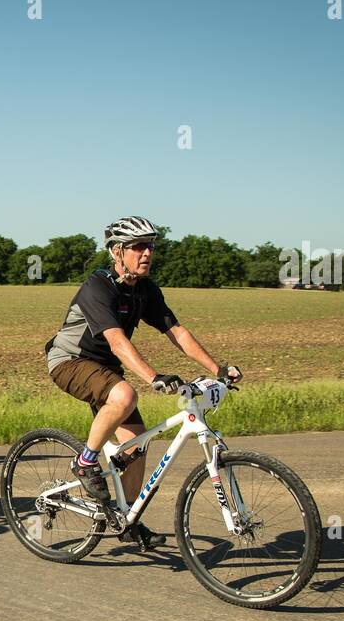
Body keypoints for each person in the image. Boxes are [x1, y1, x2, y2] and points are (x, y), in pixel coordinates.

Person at [44, 216, 243, 550]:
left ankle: (126, 518)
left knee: (136, 448)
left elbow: (176, 331)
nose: (147, 252)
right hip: (71, 361)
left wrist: (217, 368)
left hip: (105, 370)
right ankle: (85, 463)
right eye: (138, 246)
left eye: (150, 246)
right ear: (117, 252)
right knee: (125, 395)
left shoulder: (145, 290)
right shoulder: (98, 286)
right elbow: (117, 341)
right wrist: (153, 376)